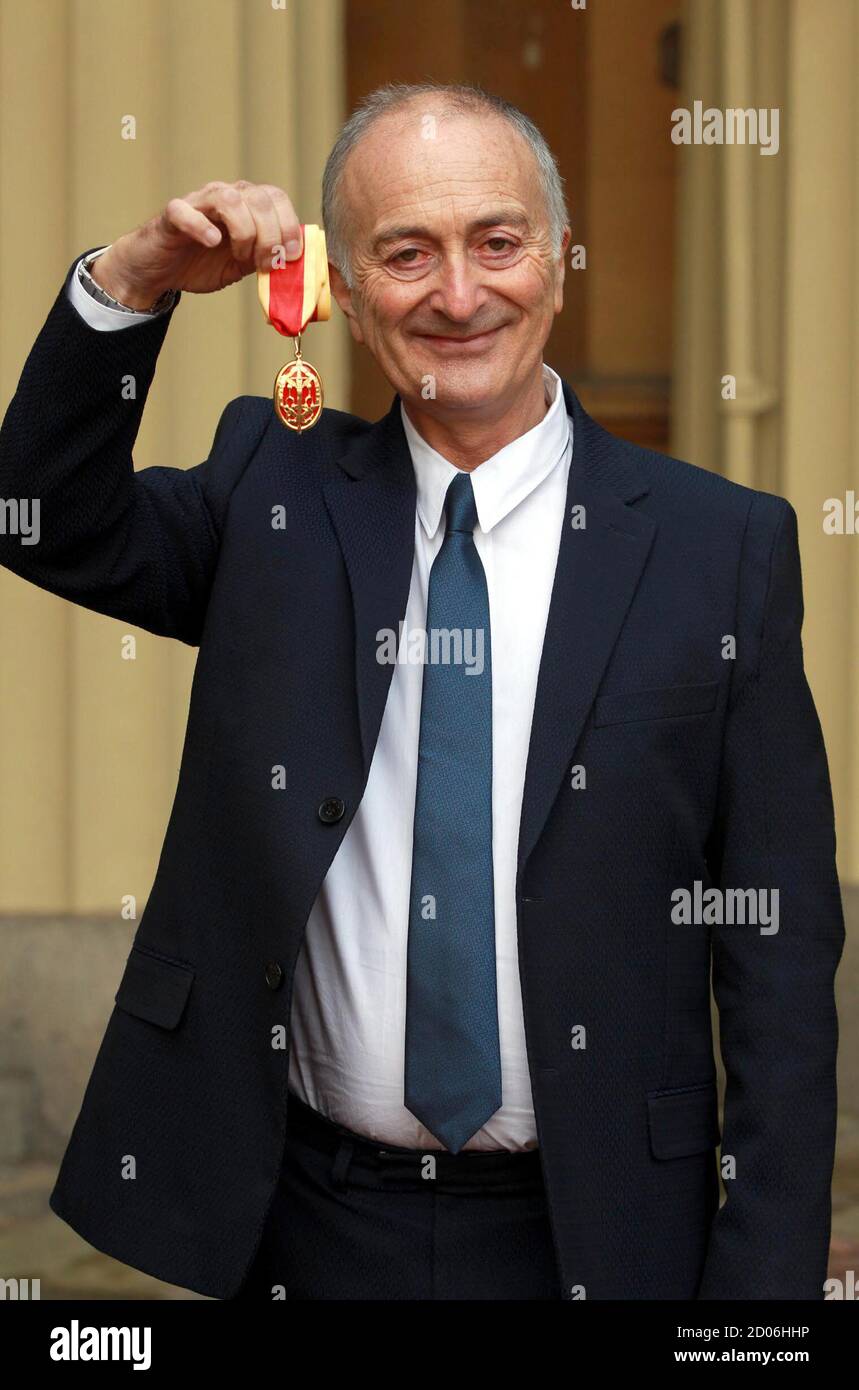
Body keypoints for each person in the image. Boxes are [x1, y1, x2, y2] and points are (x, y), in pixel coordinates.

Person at [0, 82, 845, 1301]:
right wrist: (132, 283)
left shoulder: (723, 550)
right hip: (308, 1225)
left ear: (556, 258)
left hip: (604, 1232)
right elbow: (43, 519)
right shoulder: (268, 495)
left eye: (496, 241)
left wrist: (758, 1302)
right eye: (406, 253)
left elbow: (778, 953)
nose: (458, 295)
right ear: (342, 284)